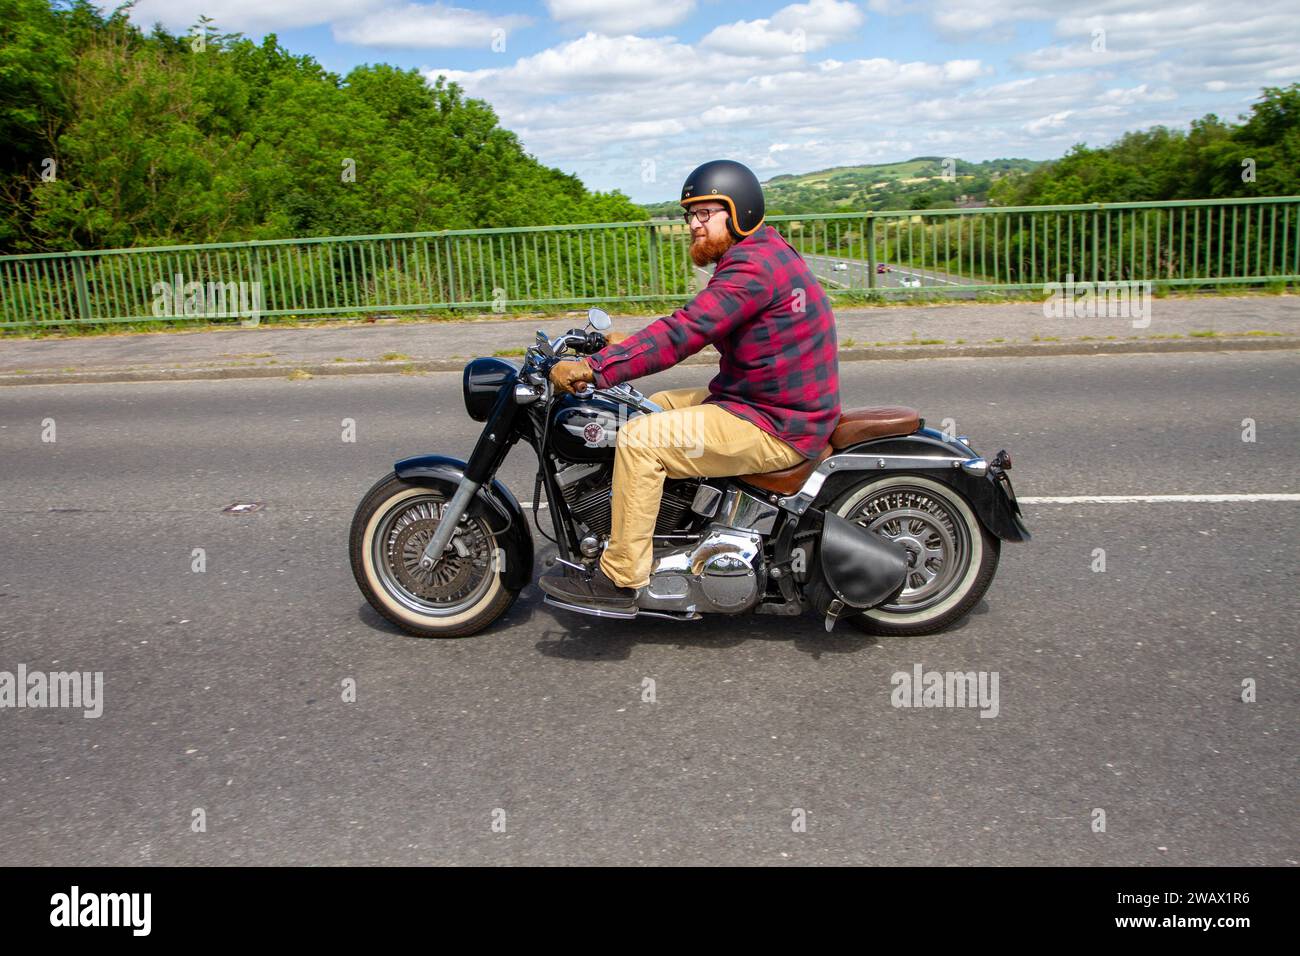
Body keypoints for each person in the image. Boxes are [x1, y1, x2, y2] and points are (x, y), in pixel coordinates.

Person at [539, 159, 841, 612]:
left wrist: (596, 369)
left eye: (705, 213)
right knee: (649, 406)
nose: (694, 226)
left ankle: (622, 575)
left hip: (776, 421)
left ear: (739, 212)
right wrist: (614, 345)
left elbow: (684, 334)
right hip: (761, 400)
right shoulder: (759, 253)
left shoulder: (752, 267)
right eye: (690, 215)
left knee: (640, 440)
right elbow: (692, 324)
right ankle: (673, 529)